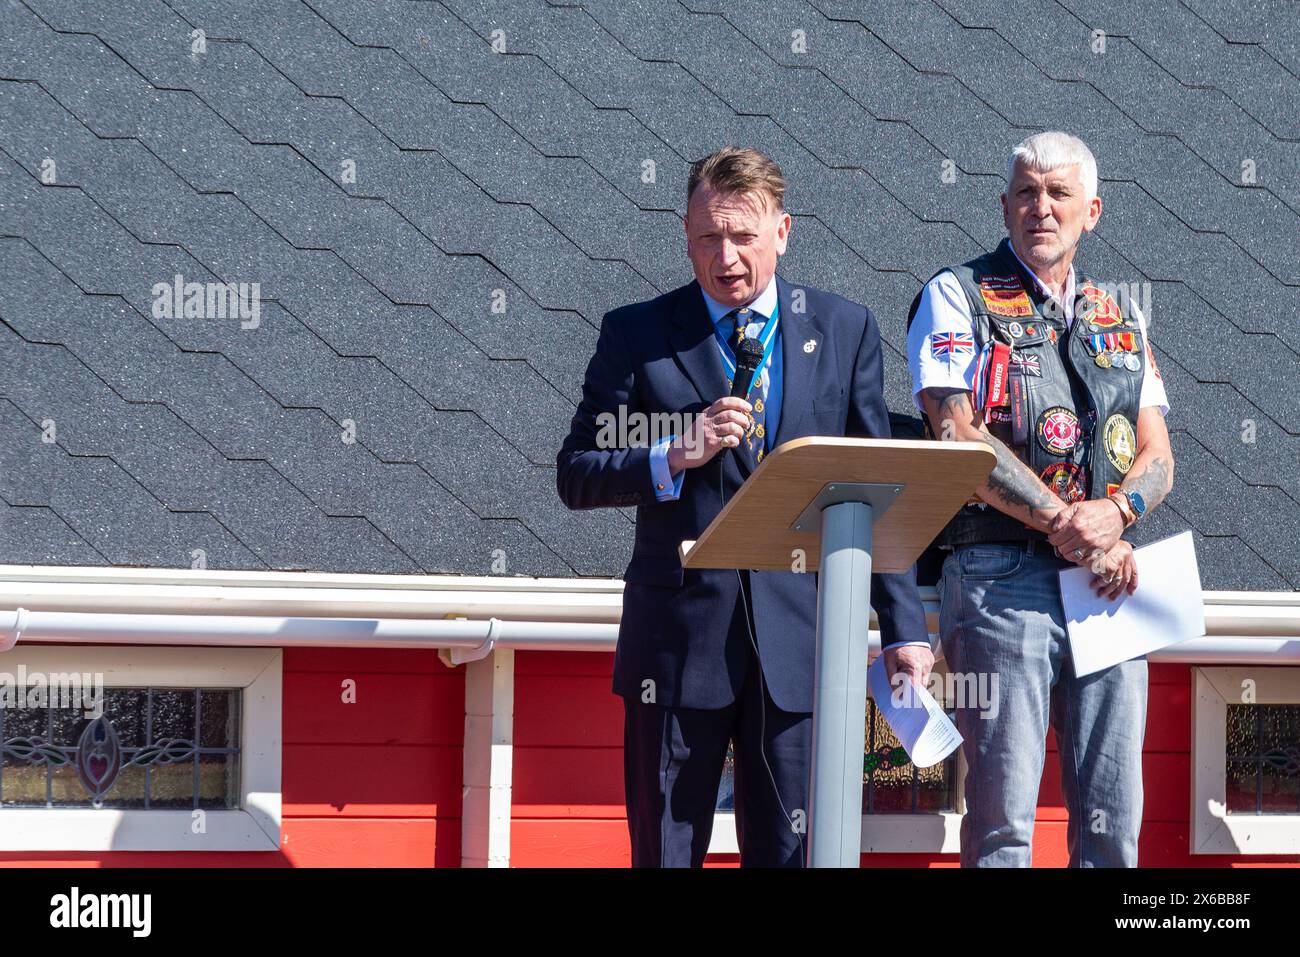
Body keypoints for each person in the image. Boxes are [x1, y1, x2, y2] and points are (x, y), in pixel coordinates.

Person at [557, 146, 931, 867]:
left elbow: (874, 488)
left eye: (743, 236)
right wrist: (671, 454)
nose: (725, 256)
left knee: (793, 853)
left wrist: (905, 627)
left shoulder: (845, 329)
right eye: (707, 237)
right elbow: (577, 472)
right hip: (676, 648)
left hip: (800, 645)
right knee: (666, 853)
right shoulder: (636, 333)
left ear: (782, 232)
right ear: (687, 236)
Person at [905, 131, 1175, 867]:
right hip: (997, 577)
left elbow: (1158, 455)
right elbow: (957, 434)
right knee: (1002, 827)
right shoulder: (956, 295)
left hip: (1109, 581)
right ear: (1004, 205)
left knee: (1113, 825)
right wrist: (1065, 520)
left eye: (1058, 193)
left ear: (1093, 210)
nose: (1041, 207)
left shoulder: (1121, 317)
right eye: (1026, 192)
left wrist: (1116, 518)